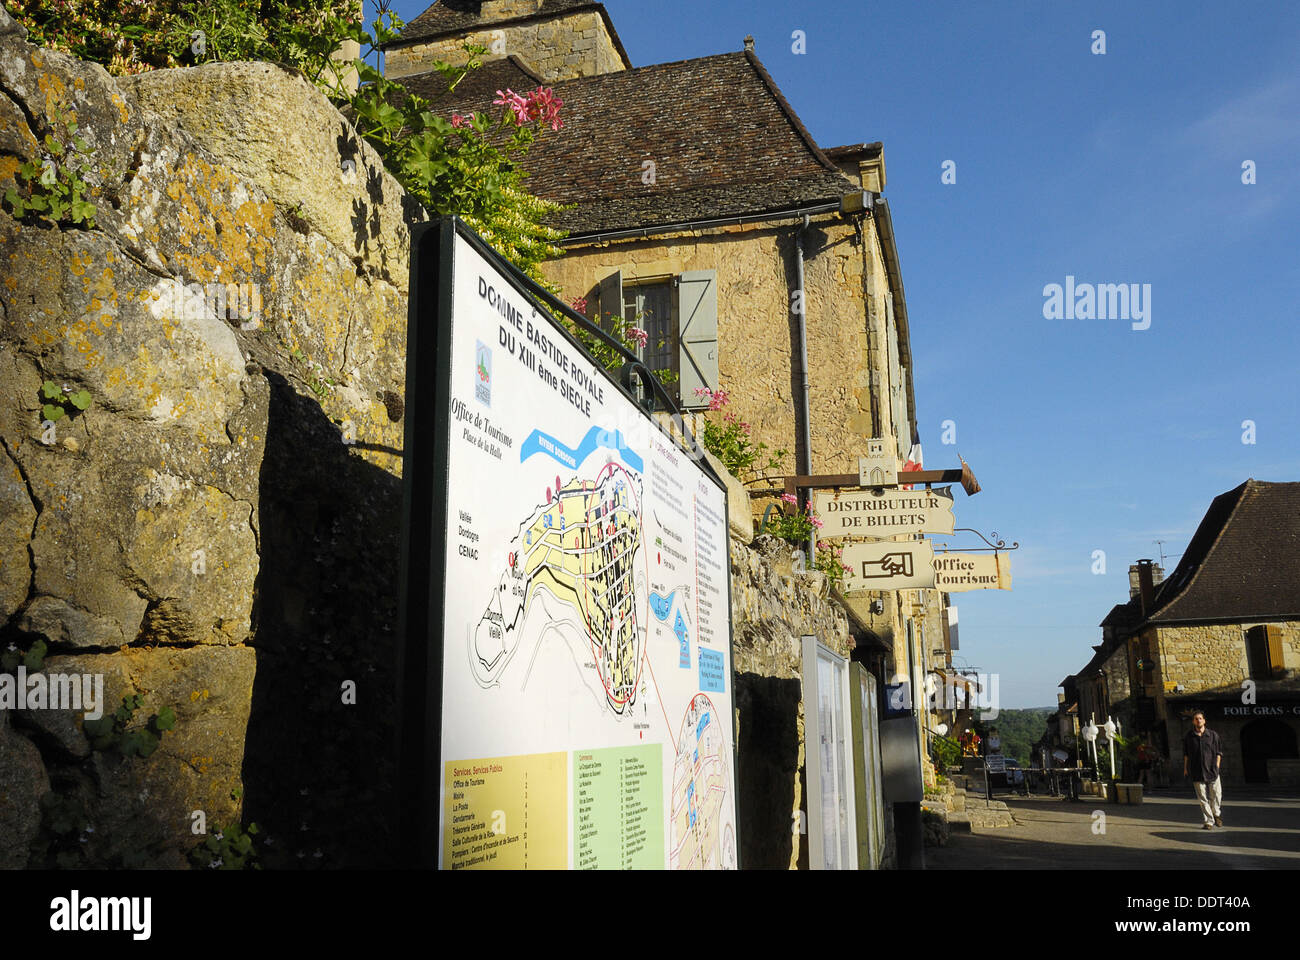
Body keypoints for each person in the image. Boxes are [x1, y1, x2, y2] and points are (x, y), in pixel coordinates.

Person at [1183, 710, 1223, 829]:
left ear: (1204, 720)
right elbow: (1186, 754)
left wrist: (1217, 766)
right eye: (1196, 719)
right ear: (1193, 721)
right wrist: (1185, 768)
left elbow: (1218, 753)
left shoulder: (1213, 735)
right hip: (1196, 770)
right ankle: (1209, 821)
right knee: (1202, 798)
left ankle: (1216, 814)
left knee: (1216, 795)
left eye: (1200, 718)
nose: (1198, 720)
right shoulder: (1189, 737)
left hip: (1212, 770)